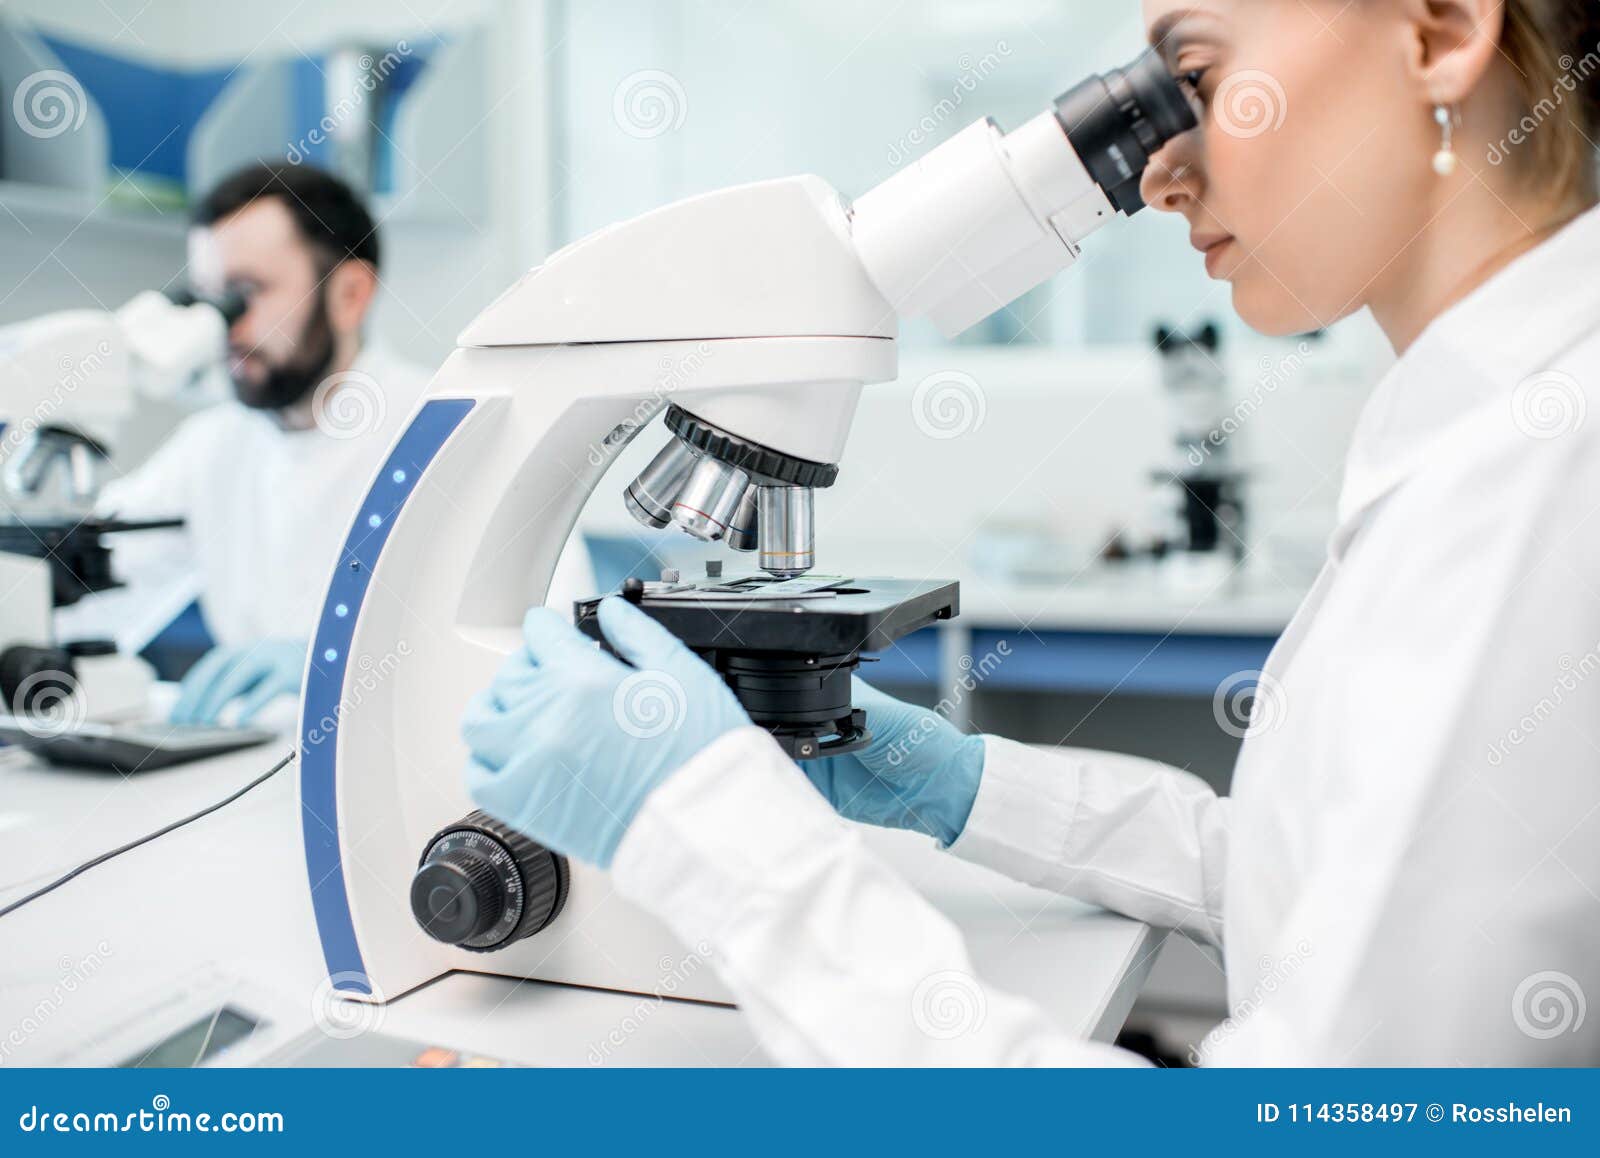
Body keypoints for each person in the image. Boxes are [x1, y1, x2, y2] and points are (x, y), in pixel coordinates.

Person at [459, 0, 1600, 1064]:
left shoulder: (1537, 485)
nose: (1155, 172)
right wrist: (954, 784)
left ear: (1438, 31)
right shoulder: (1488, 430)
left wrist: (714, 844)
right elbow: (1307, 890)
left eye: (1192, 73)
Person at [76, 163, 433, 725]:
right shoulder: (216, 444)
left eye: (246, 294)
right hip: (248, 782)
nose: (225, 328)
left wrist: (339, 667)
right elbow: (86, 590)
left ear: (350, 293)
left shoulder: (444, 430)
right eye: (208, 300)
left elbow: (531, 656)